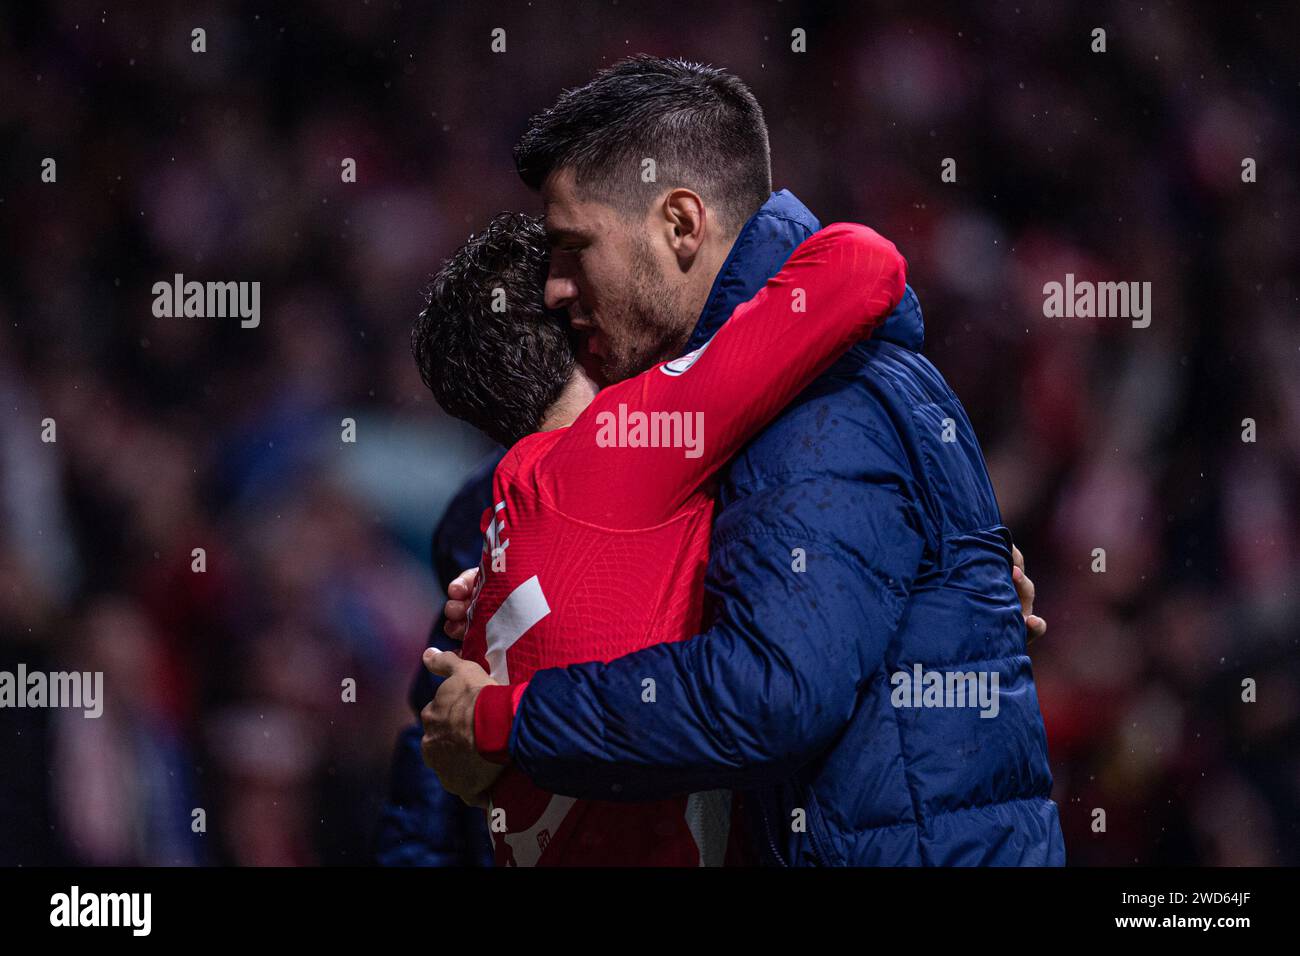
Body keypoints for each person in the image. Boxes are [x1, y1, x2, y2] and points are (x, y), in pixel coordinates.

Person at [421, 55, 1064, 866]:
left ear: (682, 224)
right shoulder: (711, 421)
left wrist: (502, 718)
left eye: (571, 247)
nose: (555, 287)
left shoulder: (818, 396)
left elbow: (774, 694)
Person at [414, 211, 906, 864]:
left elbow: (470, 770)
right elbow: (866, 264)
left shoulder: (502, 541)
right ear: (577, 319)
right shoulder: (631, 439)